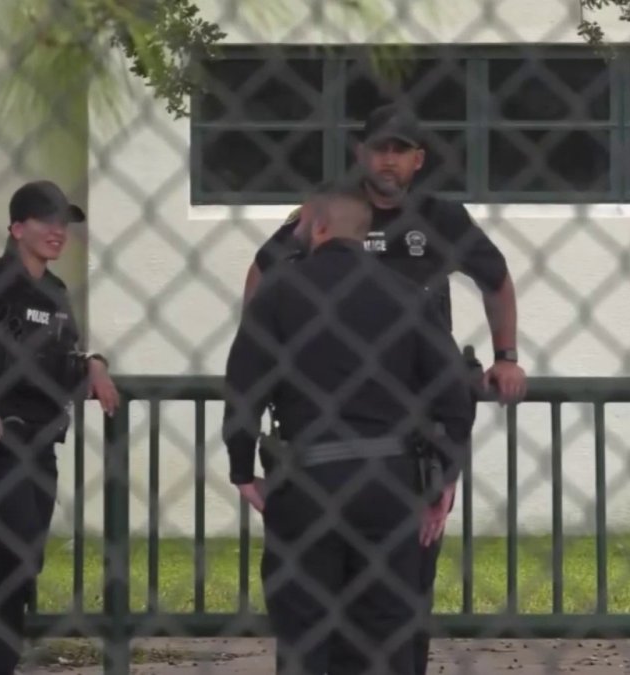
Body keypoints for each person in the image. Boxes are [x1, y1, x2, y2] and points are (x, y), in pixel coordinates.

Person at [242, 102, 526, 674]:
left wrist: (506, 357)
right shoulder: (329, 210)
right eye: (379, 148)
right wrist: (268, 349)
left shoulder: (441, 217)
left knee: (403, 599)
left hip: (411, 427)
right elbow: (263, 271)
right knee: (316, 602)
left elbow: (495, 280)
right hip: (324, 421)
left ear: (418, 160)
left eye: (400, 150)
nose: (387, 160)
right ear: (360, 153)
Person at [223, 183, 475, 675]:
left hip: (306, 481)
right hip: (390, 483)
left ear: (317, 226)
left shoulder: (278, 294)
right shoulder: (408, 297)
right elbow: (452, 399)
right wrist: (443, 479)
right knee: (387, 629)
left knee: (305, 629)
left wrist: (242, 467)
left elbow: (244, 388)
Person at [0, 180, 120, 675]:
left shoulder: (56, 294)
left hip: (41, 439)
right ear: (16, 228)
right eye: (46, 220)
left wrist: (94, 362)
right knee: (14, 562)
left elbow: (64, 359)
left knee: (21, 568)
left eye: (64, 223)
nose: (59, 231)